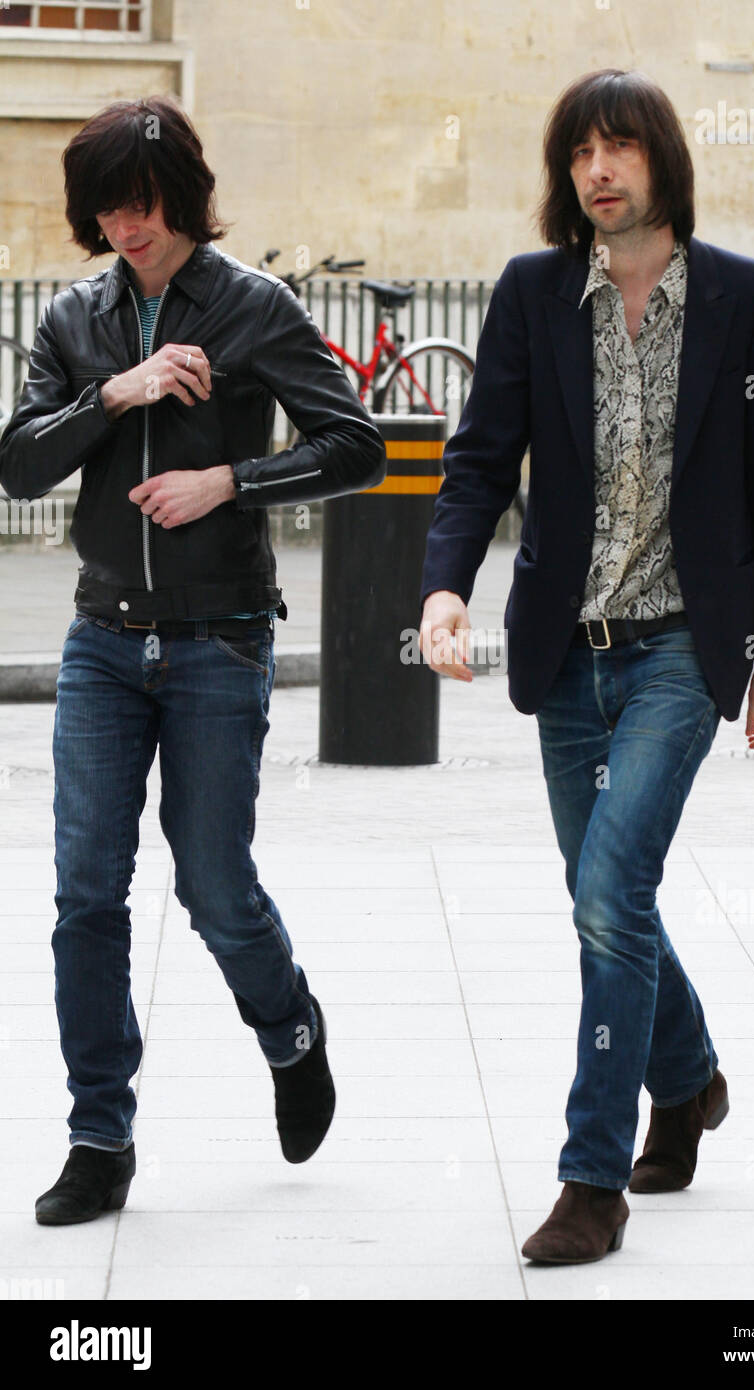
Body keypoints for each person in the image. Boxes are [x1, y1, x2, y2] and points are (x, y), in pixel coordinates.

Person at [419, 69, 754, 1265]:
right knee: (609, 899)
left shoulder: (744, 296)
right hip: (565, 652)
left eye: (621, 146)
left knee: (606, 889)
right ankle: (686, 1081)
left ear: (660, 162)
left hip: (684, 650)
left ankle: (592, 1180)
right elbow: (478, 459)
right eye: (581, 150)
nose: (599, 169)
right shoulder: (535, 294)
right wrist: (441, 586)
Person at [0, 95, 386, 1225]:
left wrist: (231, 481)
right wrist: (115, 392)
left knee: (214, 884)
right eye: (108, 209)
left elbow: (354, 444)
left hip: (220, 636)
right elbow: (18, 464)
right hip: (102, 639)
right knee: (84, 894)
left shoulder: (254, 307)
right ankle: (98, 1135)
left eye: (144, 204)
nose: (128, 227)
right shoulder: (77, 319)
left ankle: (289, 1029)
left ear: (184, 195)